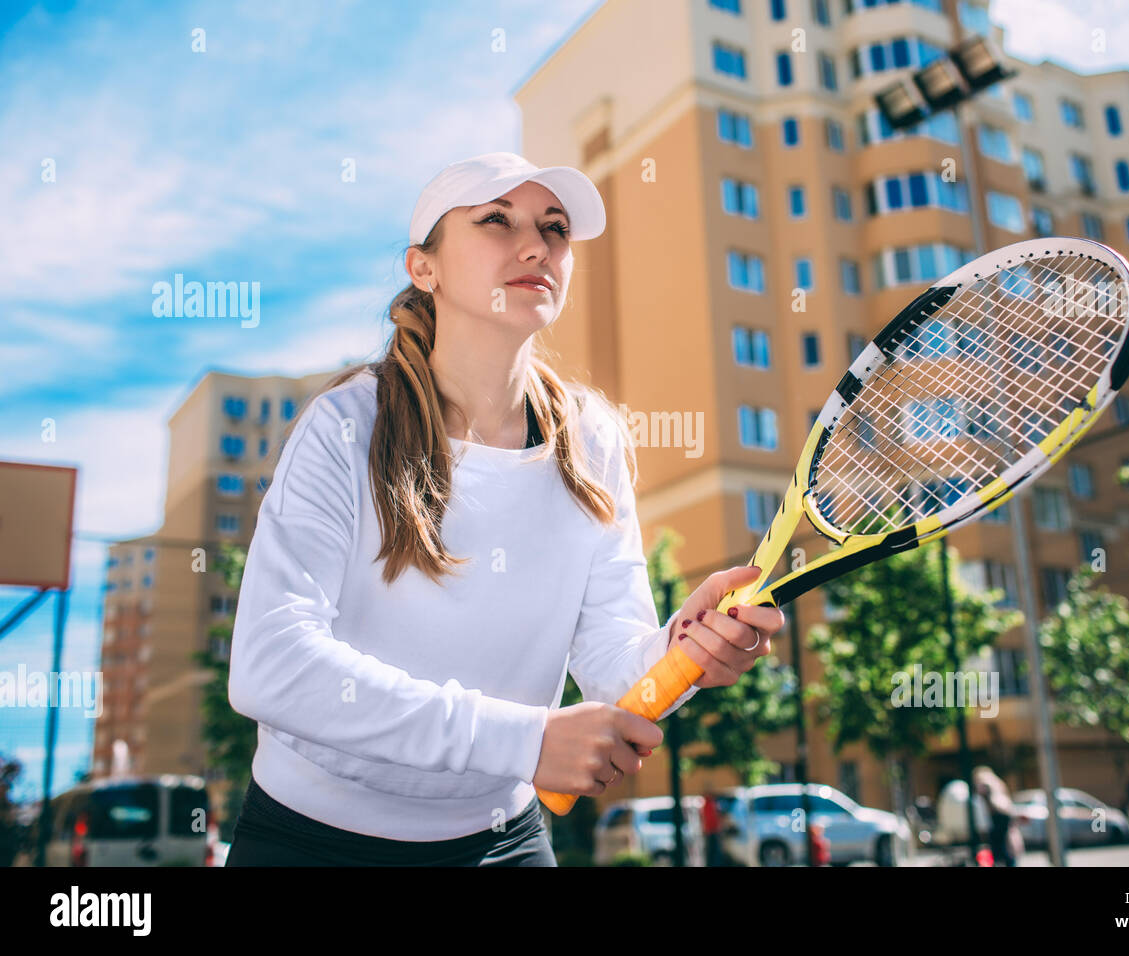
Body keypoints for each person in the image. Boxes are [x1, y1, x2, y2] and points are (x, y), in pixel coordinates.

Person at [224, 152, 784, 866]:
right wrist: (525, 741)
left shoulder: (594, 441)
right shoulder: (344, 425)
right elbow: (270, 666)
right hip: (309, 837)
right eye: (497, 220)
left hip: (500, 839)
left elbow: (618, 668)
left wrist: (686, 647)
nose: (536, 245)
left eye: (554, 228)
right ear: (422, 268)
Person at [973, 766, 1022, 867]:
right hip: (1004, 815)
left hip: (996, 818)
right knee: (1007, 849)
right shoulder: (998, 781)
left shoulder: (983, 782)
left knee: (996, 850)